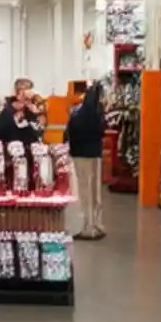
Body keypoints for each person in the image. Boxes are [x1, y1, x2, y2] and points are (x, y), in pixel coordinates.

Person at [67, 80, 106, 240]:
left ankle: (86, 227)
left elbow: (70, 133)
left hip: (80, 156)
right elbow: (102, 131)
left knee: (83, 191)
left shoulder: (78, 113)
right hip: (95, 155)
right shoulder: (98, 113)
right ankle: (96, 225)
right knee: (95, 192)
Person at [0, 78, 42, 146]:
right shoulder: (5, 109)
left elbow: (38, 133)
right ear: (17, 94)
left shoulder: (32, 110)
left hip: (29, 150)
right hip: (8, 150)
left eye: (30, 91)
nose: (30, 95)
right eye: (25, 92)